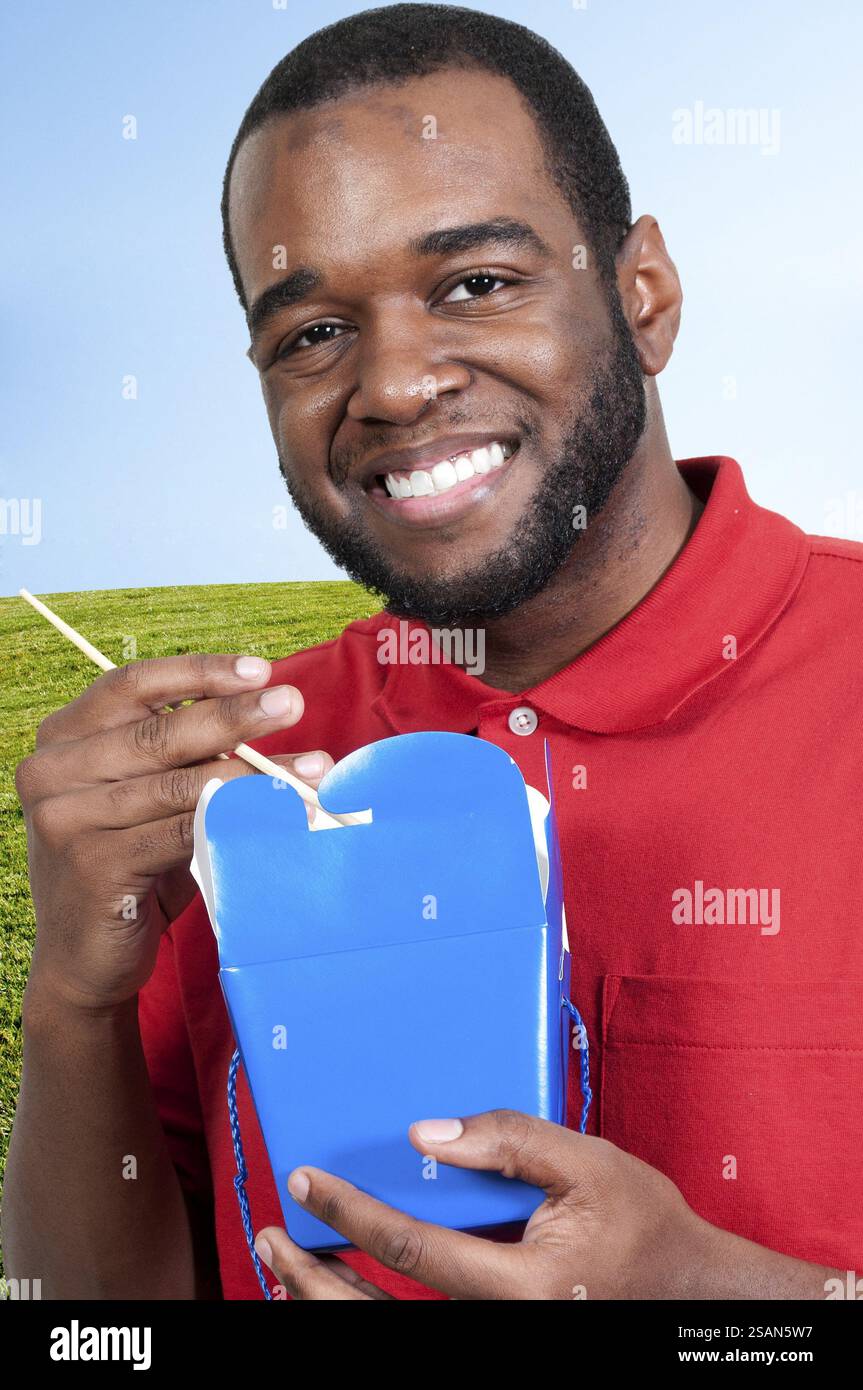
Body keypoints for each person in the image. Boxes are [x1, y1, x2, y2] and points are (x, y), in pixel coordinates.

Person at [5, 4, 862, 1300]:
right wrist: (72, 1002)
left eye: (475, 281)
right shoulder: (247, 773)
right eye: (310, 333)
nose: (395, 384)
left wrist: (716, 1306)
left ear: (644, 294)